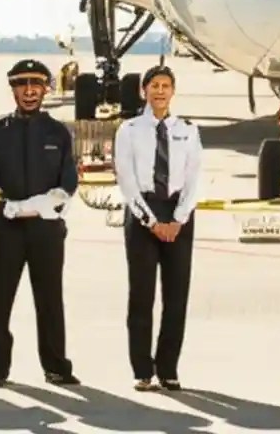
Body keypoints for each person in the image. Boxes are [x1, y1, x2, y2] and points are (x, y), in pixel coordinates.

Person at [0, 58, 81, 388]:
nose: (30, 91)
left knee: (49, 299)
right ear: (13, 90)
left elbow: (68, 181)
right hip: (7, 229)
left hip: (46, 229)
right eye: (22, 85)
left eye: (36, 85)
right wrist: (2, 205)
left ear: (46, 90)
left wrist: (45, 204)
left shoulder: (58, 132)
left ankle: (56, 367)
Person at [113, 65, 203, 391]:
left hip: (178, 215)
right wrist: (152, 222)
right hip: (143, 216)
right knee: (141, 296)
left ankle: (168, 368)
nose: (160, 91)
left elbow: (193, 178)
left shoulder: (188, 131)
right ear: (144, 91)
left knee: (176, 297)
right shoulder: (129, 130)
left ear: (173, 91)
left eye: (166, 85)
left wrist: (178, 219)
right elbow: (126, 181)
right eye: (154, 86)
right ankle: (142, 369)